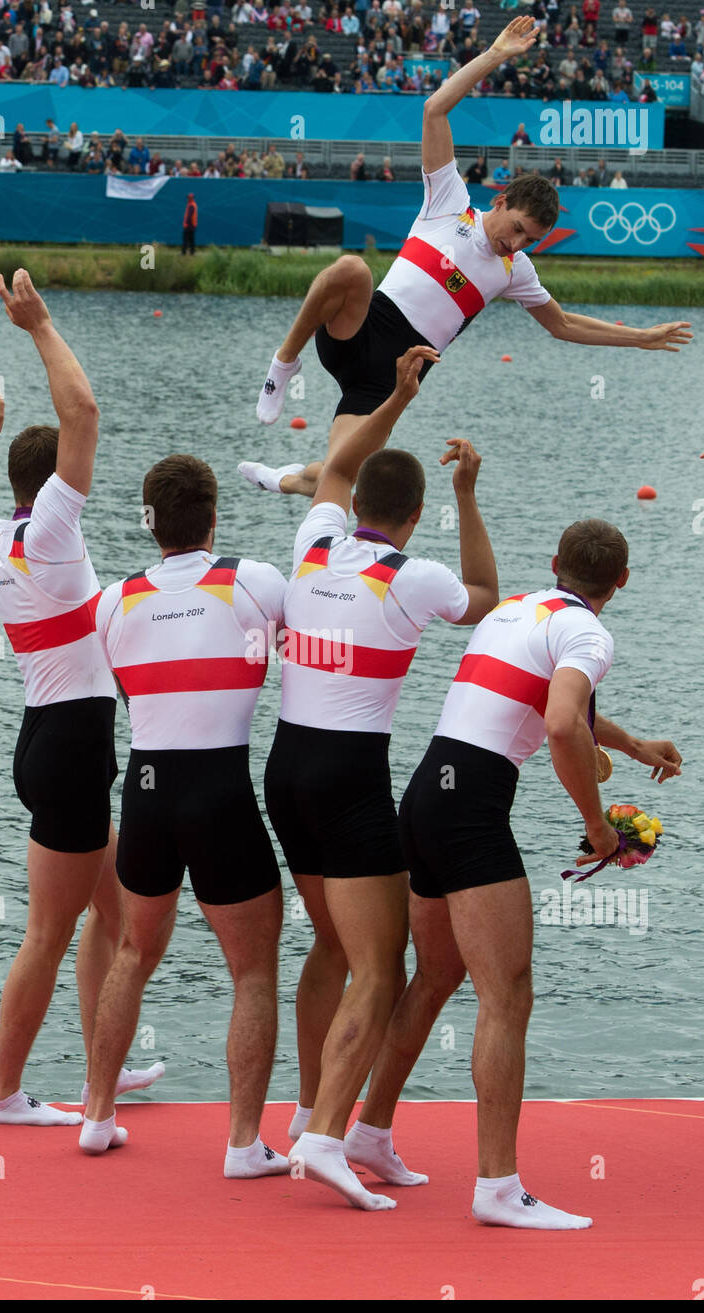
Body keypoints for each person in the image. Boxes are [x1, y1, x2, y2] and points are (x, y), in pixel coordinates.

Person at [347, 521, 682, 1227]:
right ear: (620, 583)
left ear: (555, 564)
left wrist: (632, 741)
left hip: (425, 796)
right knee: (510, 995)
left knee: (436, 977)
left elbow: (551, 705)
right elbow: (562, 725)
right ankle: (498, 1189)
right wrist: (596, 826)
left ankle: (370, 1132)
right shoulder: (591, 636)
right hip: (470, 808)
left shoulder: (517, 611)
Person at [240, 15, 692, 500]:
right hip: (357, 331)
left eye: (530, 241)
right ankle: (284, 363)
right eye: (517, 229)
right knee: (351, 268)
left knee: (342, 484)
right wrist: (496, 55)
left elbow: (562, 326)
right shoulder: (449, 201)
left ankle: (284, 479)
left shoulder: (514, 271)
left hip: (393, 377)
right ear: (499, 202)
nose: (516, 245)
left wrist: (641, 337)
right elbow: (435, 110)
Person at [264, 349, 499, 1209]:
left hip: (284, 770)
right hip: (352, 779)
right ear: (415, 516)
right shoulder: (415, 578)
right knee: (383, 965)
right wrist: (470, 494)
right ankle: (328, 1137)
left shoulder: (314, 539)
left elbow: (333, 464)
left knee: (333, 946)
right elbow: (485, 593)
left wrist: (397, 397)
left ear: (356, 505)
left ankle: (305, 1113)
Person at [0, 270, 164, 1126]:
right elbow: (85, 414)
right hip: (72, 746)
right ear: (58, 492)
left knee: (108, 915)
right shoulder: (50, 532)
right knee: (49, 931)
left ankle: (96, 1079)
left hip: (50, 736)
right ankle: (0, 1094)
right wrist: (39, 329)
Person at [80, 454, 289, 1177]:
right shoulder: (254, 583)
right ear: (213, 517)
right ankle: (242, 1145)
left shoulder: (112, 602)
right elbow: (301, 651)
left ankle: (96, 1116)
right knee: (253, 972)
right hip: (220, 788)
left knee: (133, 955)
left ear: (150, 522)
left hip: (145, 790)